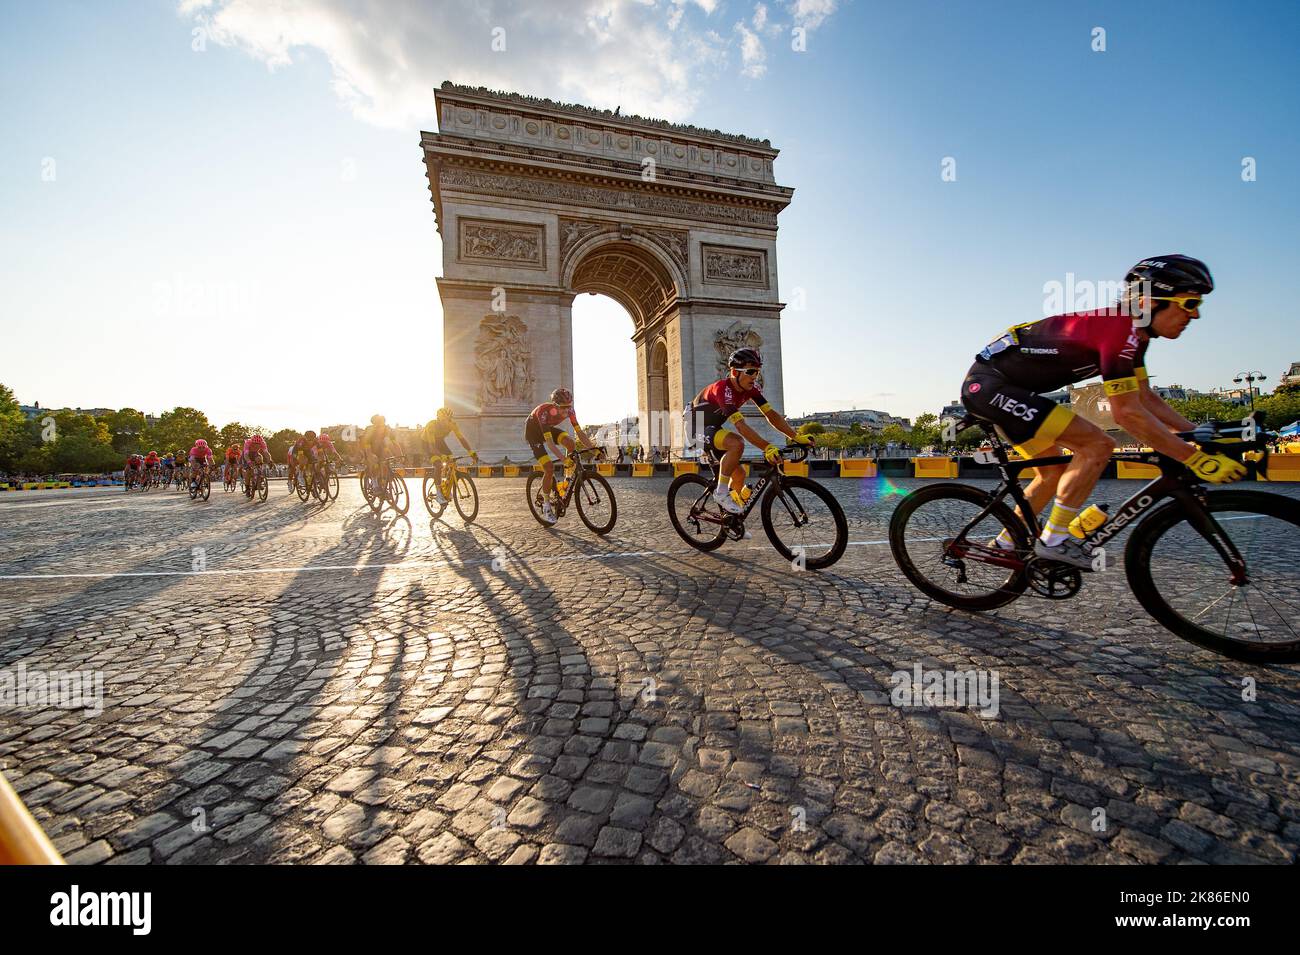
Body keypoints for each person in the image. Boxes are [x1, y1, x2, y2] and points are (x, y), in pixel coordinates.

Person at [959, 254, 1245, 568]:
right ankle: (1053, 541)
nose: (1195, 315)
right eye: (1189, 303)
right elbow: (1127, 414)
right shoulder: (1120, 329)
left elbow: (1145, 397)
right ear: (1150, 301)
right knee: (1097, 445)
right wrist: (1193, 458)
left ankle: (1005, 544)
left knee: (1052, 474)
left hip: (1000, 388)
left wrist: (1190, 432)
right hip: (990, 387)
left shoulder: (1133, 335)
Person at [686, 348, 812, 514]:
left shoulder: (752, 389)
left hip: (713, 428)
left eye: (758, 372)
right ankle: (721, 492)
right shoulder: (722, 389)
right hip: (696, 426)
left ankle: (731, 518)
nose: (754, 377)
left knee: (739, 474)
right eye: (751, 371)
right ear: (734, 372)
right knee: (736, 442)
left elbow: (771, 414)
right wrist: (767, 447)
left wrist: (795, 436)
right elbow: (741, 426)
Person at [525, 387, 600, 522]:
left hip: (547, 429)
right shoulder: (544, 412)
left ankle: (566, 480)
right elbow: (550, 444)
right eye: (562, 407)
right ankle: (547, 505)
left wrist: (594, 450)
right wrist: (564, 459)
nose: (566, 411)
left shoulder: (570, 410)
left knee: (570, 443)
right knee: (549, 468)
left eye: (568, 407)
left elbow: (580, 433)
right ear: (555, 405)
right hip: (533, 434)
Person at [422, 408, 478, 506]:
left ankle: (446, 486)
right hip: (427, 442)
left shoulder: (452, 424)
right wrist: (441, 456)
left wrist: (471, 452)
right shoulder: (432, 425)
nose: (446, 422)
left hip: (439, 441)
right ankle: (439, 492)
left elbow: (461, 439)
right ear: (438, 419)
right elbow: (432, 447)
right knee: (438, 464)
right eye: (443, 420)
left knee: (451, 460)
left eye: (448, 419)